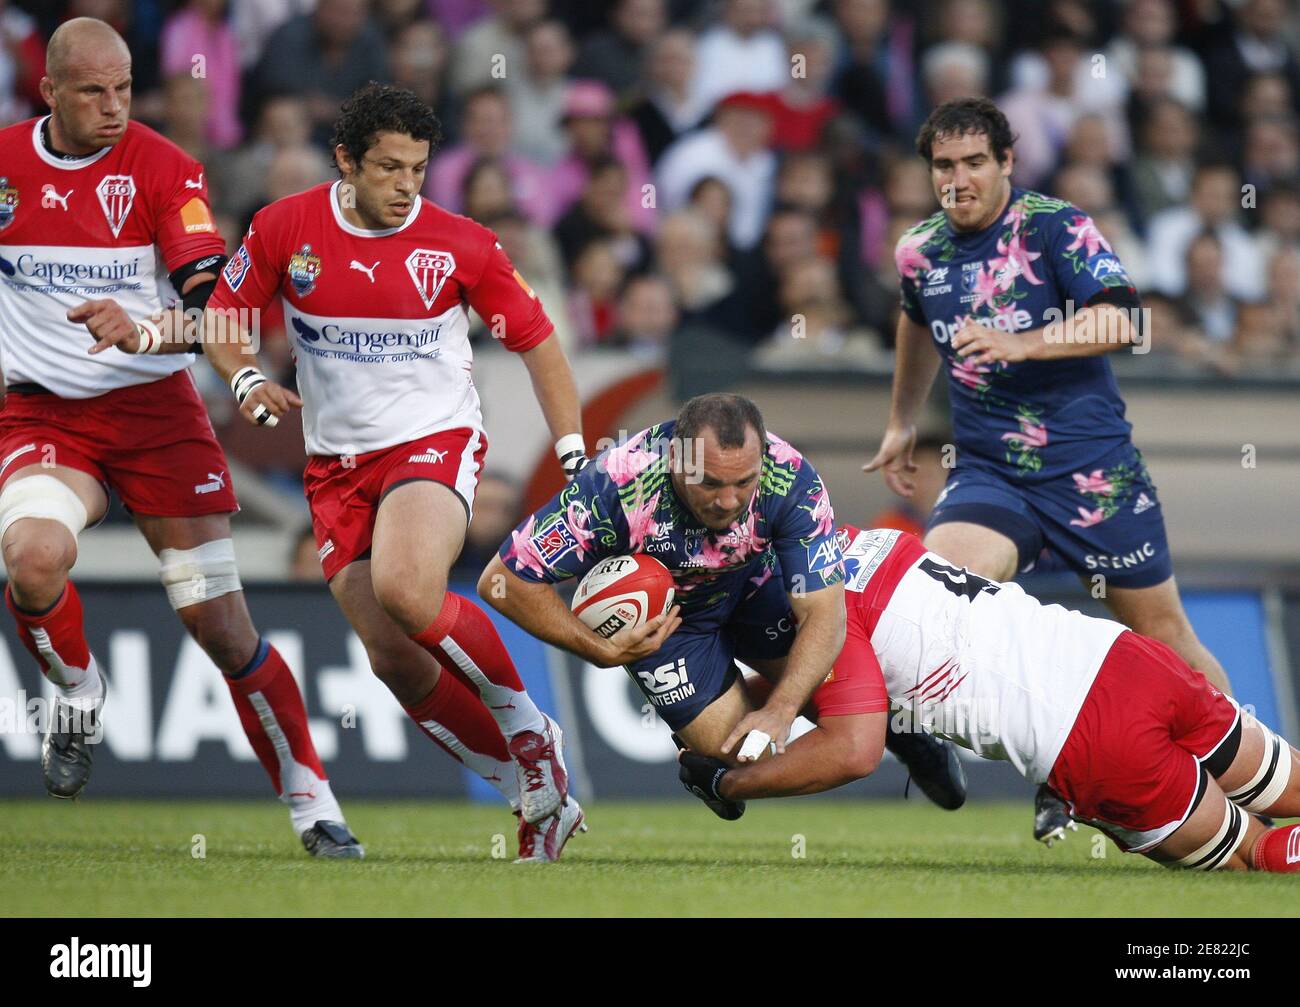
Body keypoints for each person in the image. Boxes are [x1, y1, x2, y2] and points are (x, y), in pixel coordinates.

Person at [189, 83, 586, 864]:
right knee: (394, 657)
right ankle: (531, 790)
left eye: (418, 169)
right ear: (346, 160)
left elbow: (538, 342)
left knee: (409, 592)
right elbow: (222, 321)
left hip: (431, 441)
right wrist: (241, 381)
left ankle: (529, 726)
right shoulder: (285, 227)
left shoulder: (461, 243)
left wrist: (572, 449)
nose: (406, 187)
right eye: (388, 169)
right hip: (336, 464)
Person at [0, 18, 362, 857]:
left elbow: (221, 308)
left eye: (125, 88)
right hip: (44, 415)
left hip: (155, 415)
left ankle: (314, 802)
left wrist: (142, 331)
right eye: (93, 91)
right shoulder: (7, 166)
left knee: (223, 629)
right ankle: (79, 691)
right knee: (32, 560)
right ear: (48, 91)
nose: (114, 107)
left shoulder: (165, 170)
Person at [865, 96, 1234, 845]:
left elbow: (1122, 317)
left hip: (1093, 475)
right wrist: (904, 417)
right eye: (943, 164)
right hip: (992, 474)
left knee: (1166, 635)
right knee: (938, 595)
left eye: (974, 162)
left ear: (1006, 162)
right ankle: (982, 753)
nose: (957, 178)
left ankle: (1240, 772)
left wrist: (1022, 342)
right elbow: (916, 321)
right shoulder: (920, 251)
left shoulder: (1054, 227)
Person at [684, 525, 1300, 873]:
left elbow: (851, 748)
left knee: (1256, 857)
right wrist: (769, 701)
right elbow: (831, 670)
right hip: (1128, 659)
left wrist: (727, 785)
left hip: (1089, 739)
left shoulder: (834, 623)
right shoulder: (869, 539)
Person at [480, 393, 966, 815]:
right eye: (710, 483)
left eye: (743, 483)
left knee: (845, 728)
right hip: (668, 623)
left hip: (760, 585)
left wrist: (781, 709)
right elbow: (503, 581)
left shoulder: (789, 476)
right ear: (675, 458)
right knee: (737, 753)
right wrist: (595, 648)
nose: (729, 501)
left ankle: (901, 733)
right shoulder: (615, 486)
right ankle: (725, 748)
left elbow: (823, 612)